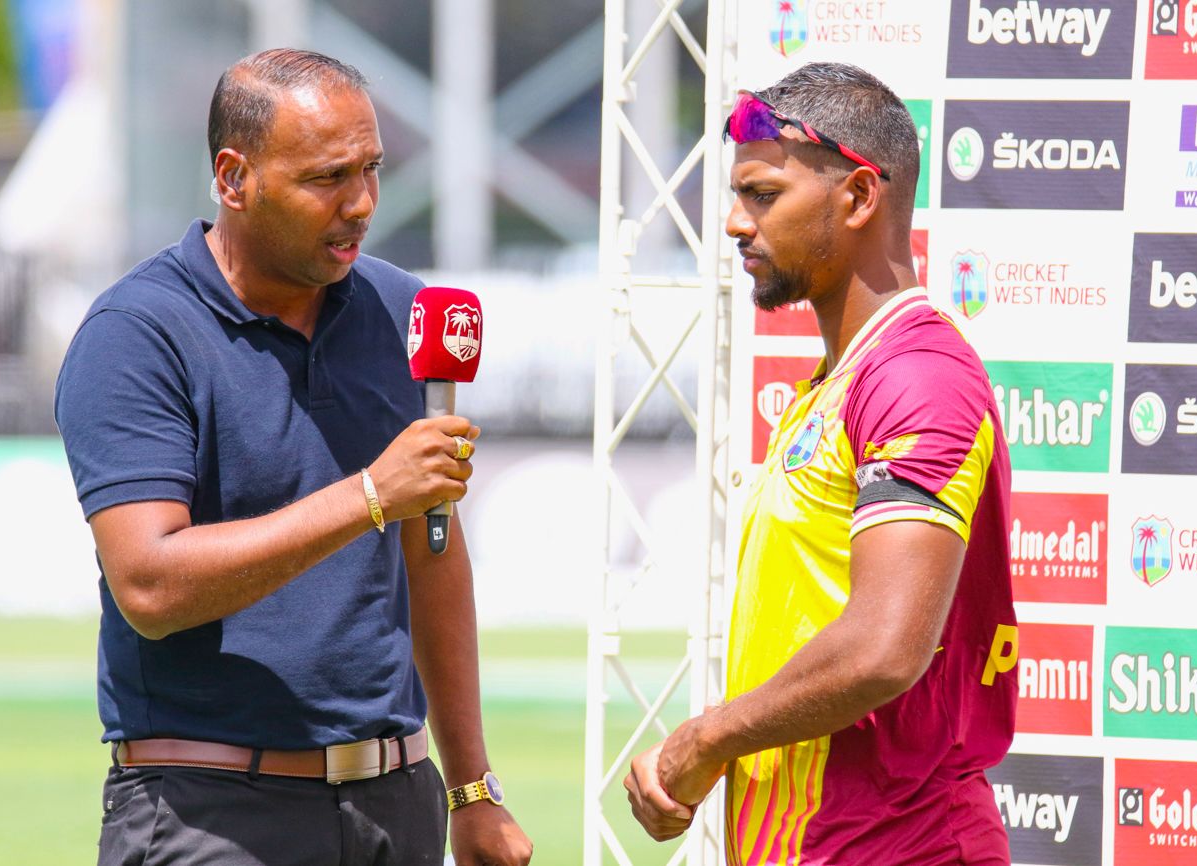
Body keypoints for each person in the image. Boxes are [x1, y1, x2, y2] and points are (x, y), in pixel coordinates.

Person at [55, 49, 532, 866]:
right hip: (209, 814)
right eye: (327, 178)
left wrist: (472, 789)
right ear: (234, 177)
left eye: (373, 168)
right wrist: (372, 494)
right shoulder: (135, 335)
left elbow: (433, 554)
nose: (362, 203)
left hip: (399, 805)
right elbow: (149, 583)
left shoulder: (404, 313)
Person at [624, 63, 1017, 865]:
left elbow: (883, 646)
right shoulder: (835, 384)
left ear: (860, 197)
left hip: (899, 845)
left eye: (762, 195)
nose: (735, 223)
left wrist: (708, 738)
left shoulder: (917, 376)